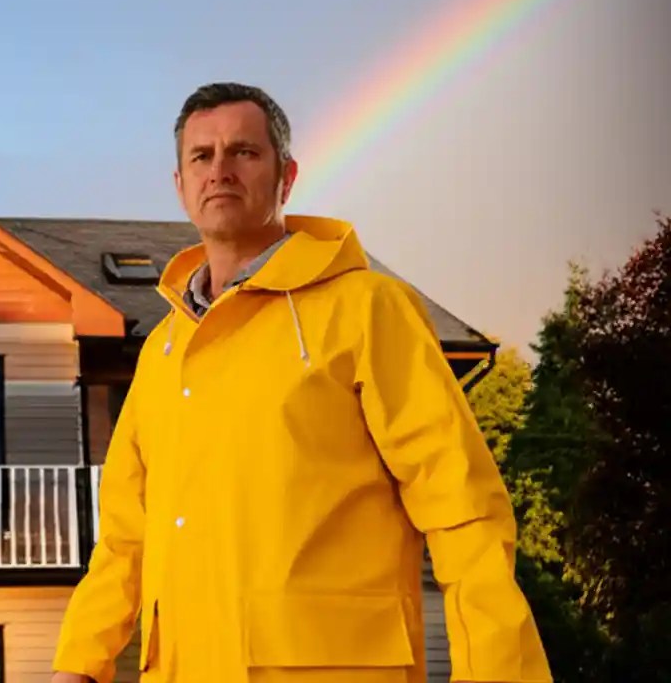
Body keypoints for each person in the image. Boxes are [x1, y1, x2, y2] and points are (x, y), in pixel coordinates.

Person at [49, 83, 553, 682]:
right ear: (180, 185)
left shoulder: (368, 310)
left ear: (286, 177)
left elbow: (462, 508)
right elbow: (126, 538)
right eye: (201, 156)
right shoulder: (162, 351)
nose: (220, 171)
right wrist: (78, 663)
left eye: (244, 152)